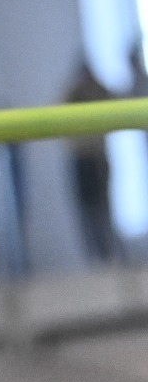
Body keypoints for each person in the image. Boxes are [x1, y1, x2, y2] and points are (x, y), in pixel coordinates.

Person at [65, 58, 121, 263]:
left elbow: (116, 101)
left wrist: (96, 85)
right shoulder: (72, 94)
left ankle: (110, 254)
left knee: (104, 208)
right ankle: (95, 257)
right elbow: (60, 107)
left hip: (97, 158)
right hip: (80, 159)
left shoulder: (99, 90)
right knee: (86, 212)